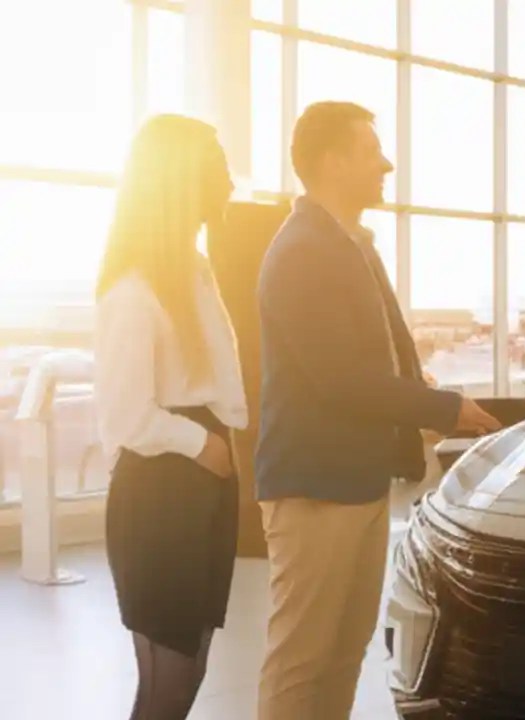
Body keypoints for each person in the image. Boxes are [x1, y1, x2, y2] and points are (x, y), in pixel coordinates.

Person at [254, 101, 501, 719]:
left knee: (343, 652)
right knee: (302, 657)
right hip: (315, 487)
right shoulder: (305, 249)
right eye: (371, 151)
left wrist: (423, 393)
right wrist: (447, 409)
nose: (386, 163)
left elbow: (373, 359)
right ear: (333, 161)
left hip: (354, 481)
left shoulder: (348, 244)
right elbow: (342, 379)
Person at [94, 114, 245, 719]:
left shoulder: (193, 269)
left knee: (186, 673)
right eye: (218, 167)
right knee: (169, 685)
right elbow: (128, 415)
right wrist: (202, 444)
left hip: (198, 489)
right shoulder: (133, 287)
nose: (230, 182)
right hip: (162, 493)